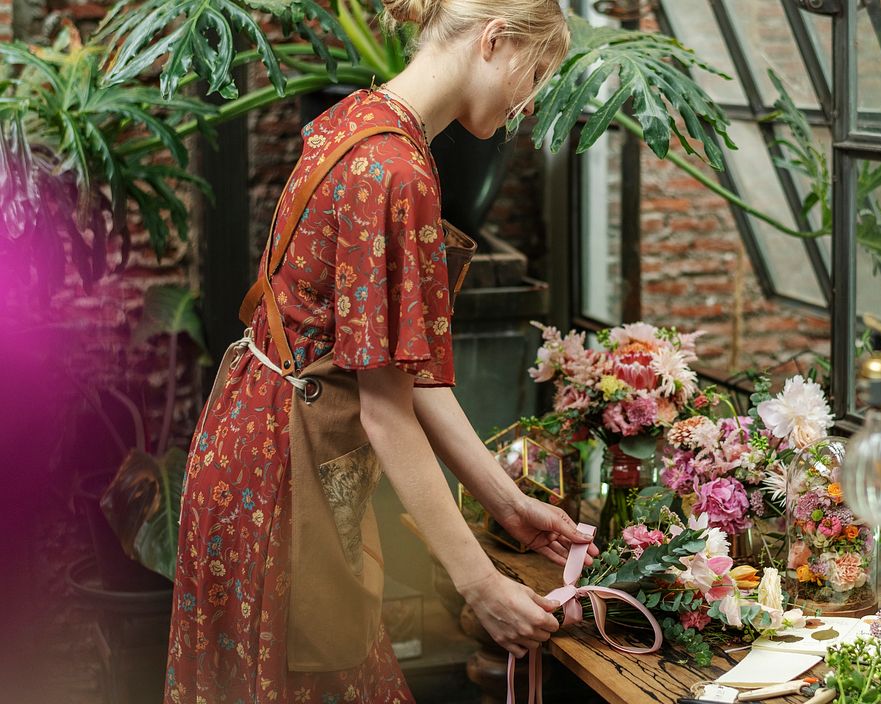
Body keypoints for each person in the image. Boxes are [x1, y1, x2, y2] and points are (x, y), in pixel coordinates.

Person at [164, 2, 597, 702]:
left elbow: (405, 370)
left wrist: (507, 504)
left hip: (247, 439)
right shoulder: (396, 172)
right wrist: (480, 585)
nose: (531, 101)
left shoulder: (361, 118)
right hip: (283, 469)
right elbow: (387, 414)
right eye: (536, 73)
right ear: (493, 41)